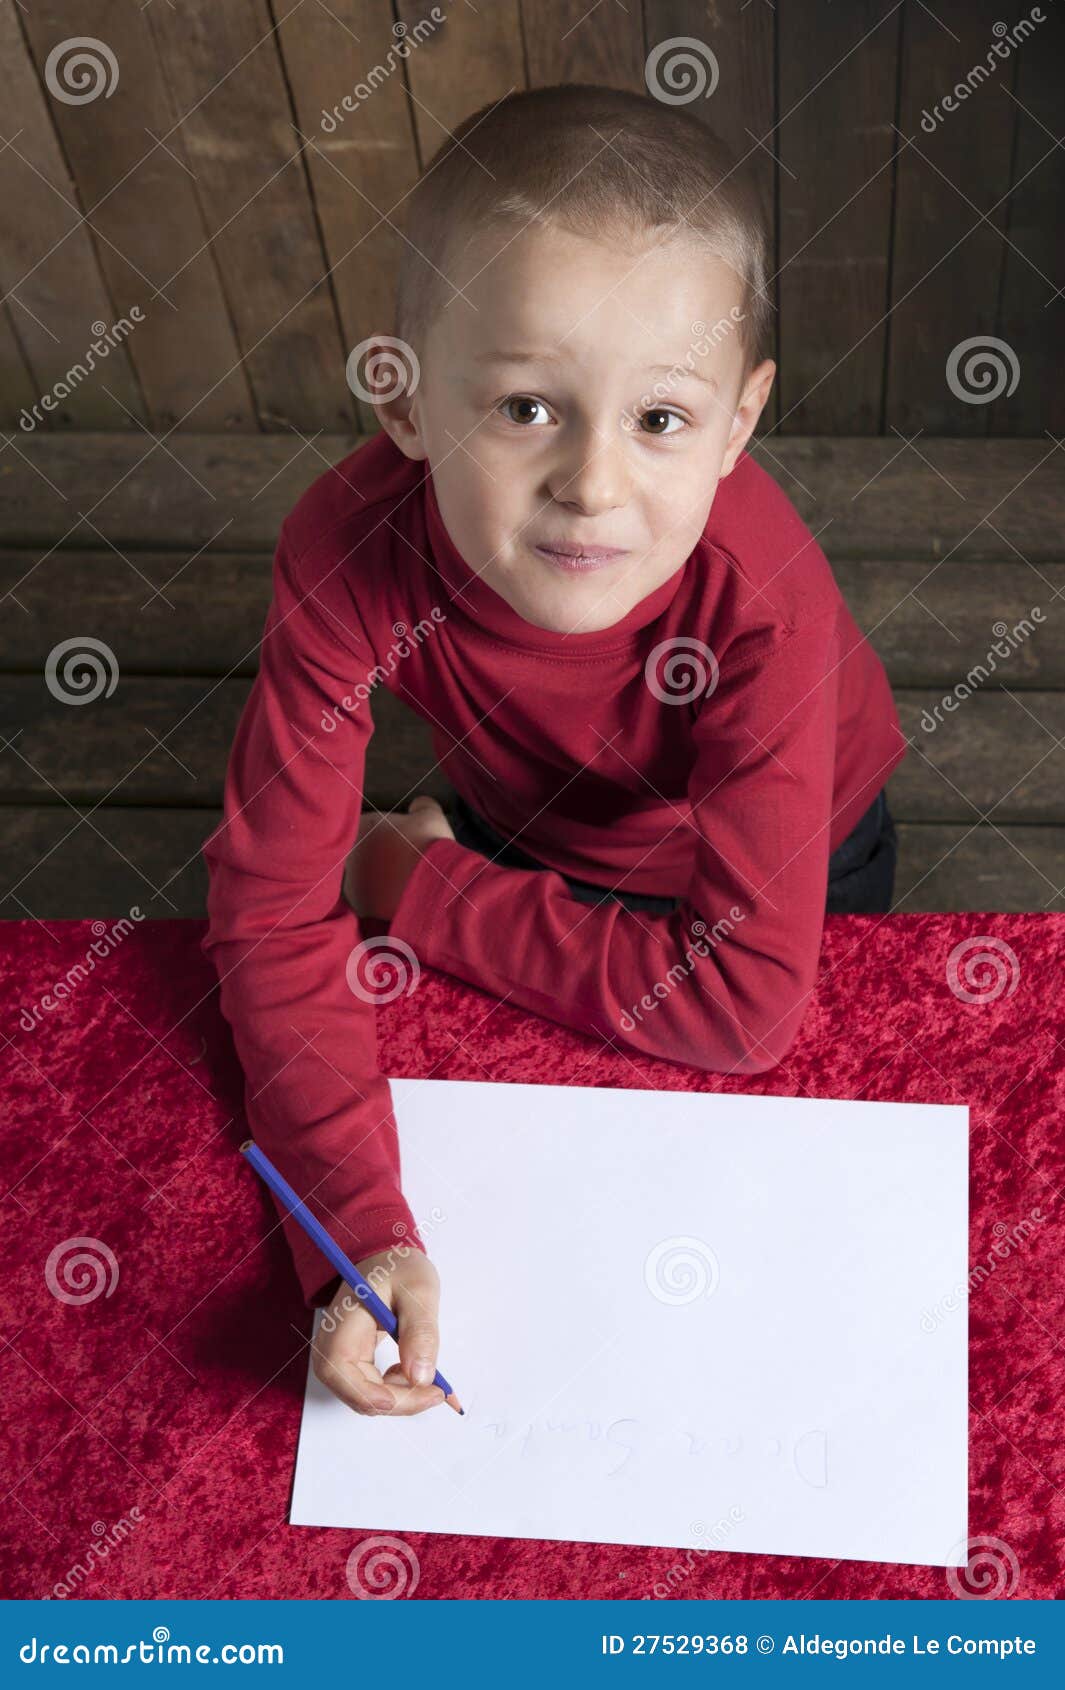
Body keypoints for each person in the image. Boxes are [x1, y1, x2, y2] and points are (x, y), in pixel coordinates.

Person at [201, 84, 907, 1422]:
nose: (592, 485)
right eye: (526, 406)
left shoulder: (758, 600)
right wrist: (355, 1237)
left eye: (659, 419)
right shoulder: (343, 549)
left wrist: (413, 885)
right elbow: (268, 913)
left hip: (776, 852)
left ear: (738, 425)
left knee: (727, 1168)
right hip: (520, 812)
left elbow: (743, 1005)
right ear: (405, 402)